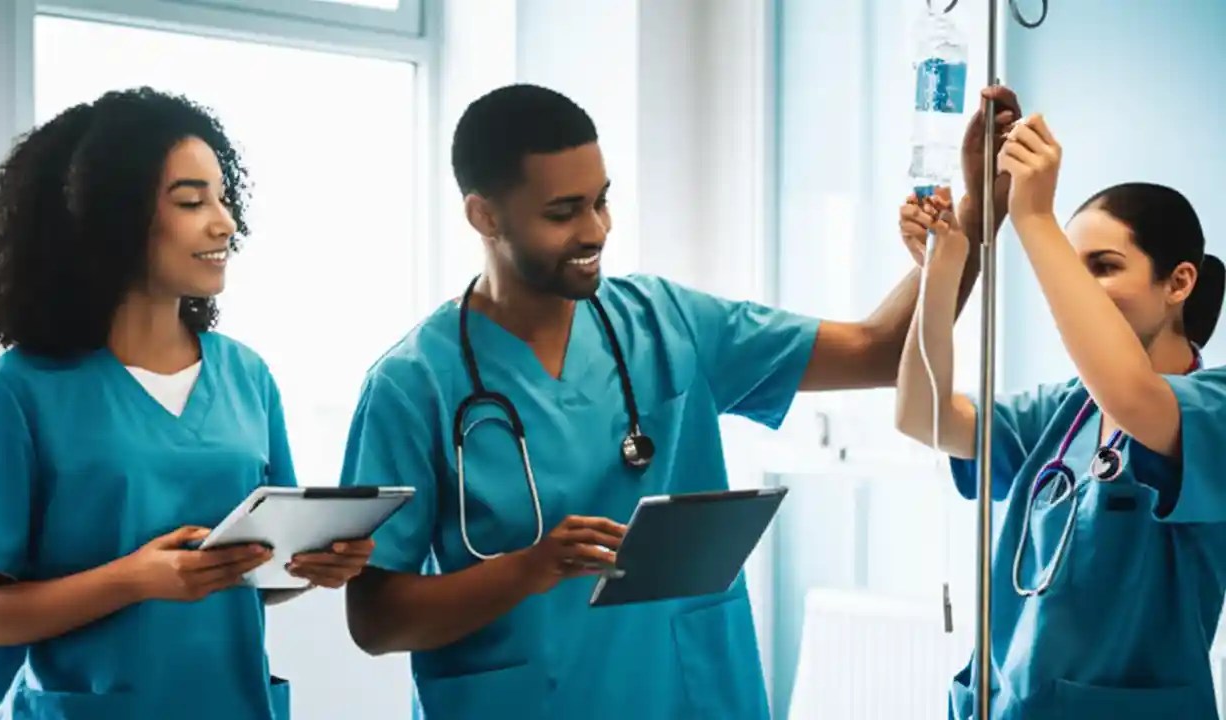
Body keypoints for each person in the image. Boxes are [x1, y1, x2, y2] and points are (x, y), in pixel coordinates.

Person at [337, 83, 1020, 719]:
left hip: (688, 695)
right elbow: (376, 620)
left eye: (601, 200)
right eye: (563, 212)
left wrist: (973, 226)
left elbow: (880, 350)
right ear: (483, 215)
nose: (596, 230)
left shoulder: (668, 324)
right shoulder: (413, 385)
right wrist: (530, 568)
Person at [0, 87, 374, 720]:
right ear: (112, 215)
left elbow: (261, 579)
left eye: (223, 199)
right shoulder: (17, 391)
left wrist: (314, 566)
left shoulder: (246, 376)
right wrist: (134, 579)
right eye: (191, 201)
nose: (224, 223)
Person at [895, 113, 1226, 718]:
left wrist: (1035, 218)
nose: (1077, 287)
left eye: (1101, 265)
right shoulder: (1064, 412)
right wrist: (943, 270)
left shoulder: (1216, 411)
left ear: (1179, 282)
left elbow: (1134, 398)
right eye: (1071, 269)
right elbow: (925, 417)